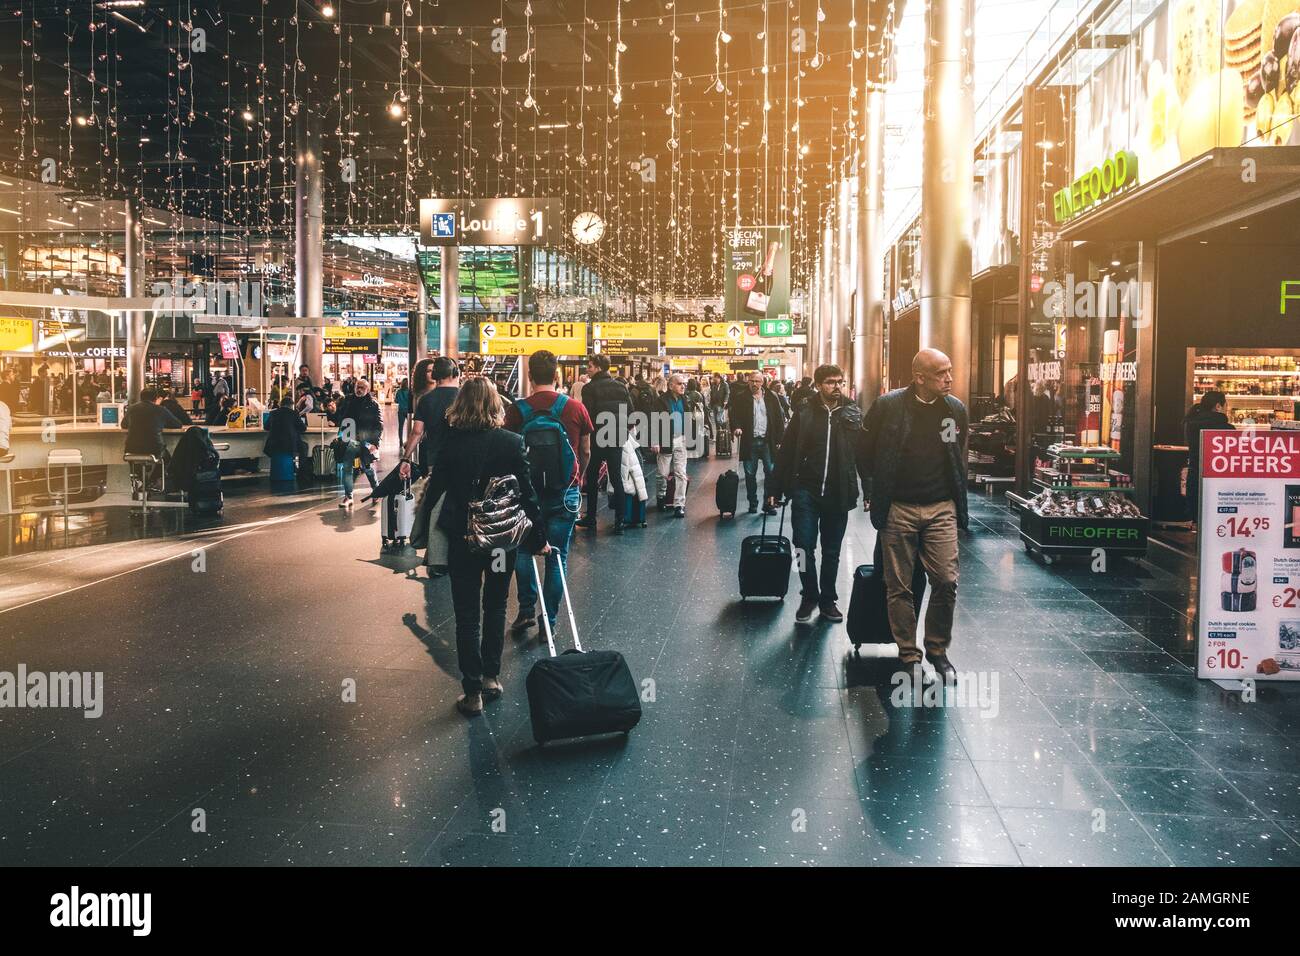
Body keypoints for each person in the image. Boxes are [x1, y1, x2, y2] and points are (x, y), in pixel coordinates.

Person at [417, 377, 548, 717]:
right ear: (496, 406)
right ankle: (491, 676)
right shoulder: (512, 443)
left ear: (460, 406)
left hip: (464, 540)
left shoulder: (450, 444)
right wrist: (538, 538)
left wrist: (423, 536)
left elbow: (434, 495)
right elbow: (527, 495)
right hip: (500, 543)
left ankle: (471, 691)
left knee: (466, 616)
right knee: (495, 606)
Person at [861, 348, 969, 683]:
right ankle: (908, 653)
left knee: (946, 581)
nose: (949, 379)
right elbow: (865, 451)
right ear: (919, 377)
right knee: (899, 586)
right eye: (941, 373)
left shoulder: (954, 410)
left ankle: (937, 649)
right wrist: (874, 492)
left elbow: (955, 450)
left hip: (940, 506)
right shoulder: (889, 407)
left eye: (950, 371)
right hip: (899, 506)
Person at [504, 350, 592, 637]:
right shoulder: (575, 408)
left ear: (530, 377)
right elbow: (586, 450)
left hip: (526, 495)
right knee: (557, 556)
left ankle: (526, 609)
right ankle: (549, 622)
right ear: (556, 375)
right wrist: (579, 477)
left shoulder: (517, 410)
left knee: (523, 550)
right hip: (564, 493)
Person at [770, 364, 866, 624]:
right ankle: (809, 594)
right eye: (831, 382)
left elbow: (862, 454)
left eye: (840, 381)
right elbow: (787, 451)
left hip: (839, 491)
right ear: (819, 384)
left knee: (832, 551)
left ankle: (827, 599)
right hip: (806, 490)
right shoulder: (804, 411)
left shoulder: (852, 412)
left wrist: (869, 490)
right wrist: (774, 487)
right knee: (802, 545)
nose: (837, 387)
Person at [576, 353, 633, 533]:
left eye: (590, 366)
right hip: (616, 437)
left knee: (592, 479)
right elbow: (631, 412)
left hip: (597, 438)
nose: (588, 369)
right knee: (617, 478)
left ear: (599, 367)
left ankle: (591, 518)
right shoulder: (621, 386)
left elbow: (588, 417)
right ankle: (620, 521)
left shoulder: (589, 389)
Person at [730, 371, 786, 515]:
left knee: (771, 474)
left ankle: (770, 504)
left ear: (763, 382)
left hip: (768, 441)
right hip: (750, 441)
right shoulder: (741, 398)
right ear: (748, 381)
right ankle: (753, 503)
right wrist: (736, 427)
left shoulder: (772, 397)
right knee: (749, 475)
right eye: (752, 381)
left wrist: (780, 440)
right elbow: (734, 415)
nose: (754, 384)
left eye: (757, 381)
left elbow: (779, 419)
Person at [400, 356, 460, 479]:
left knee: (434, 494)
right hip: (462, 457)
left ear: (434, 375)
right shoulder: (465, 396)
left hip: (434, 459)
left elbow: (417, 432)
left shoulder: (425, 399)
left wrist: (405, 459)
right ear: (455, 373)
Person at [329, 376, 383, 507]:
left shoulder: (373, 404)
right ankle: (348, 497)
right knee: (347, 467)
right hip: (350, 439)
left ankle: (376, 491)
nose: (359, 390)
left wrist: (375, 444)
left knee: (367, 468)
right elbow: (340, 416)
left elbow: (379, 425)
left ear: (367, 389)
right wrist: (332, 414)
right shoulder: (348, 401)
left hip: (366, 441)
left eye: (362, 388)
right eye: (357, 387)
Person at [651, 373, 698, 518]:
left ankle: (679, 504)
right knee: (662, 474)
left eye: (684, 383)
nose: (683, 386)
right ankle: (661, 496)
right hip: (666, 438)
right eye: (679, 383)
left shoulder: (686, 400)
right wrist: (655, 441)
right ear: (671, 386)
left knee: (680, 473)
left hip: (681, 439)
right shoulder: (661, 401)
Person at [1183, 390, 1233, 524]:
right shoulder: (1226, 428)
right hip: (1218, 477)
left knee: (1198, 513)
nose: (1226, 409)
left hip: (1195, 474)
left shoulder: (1191, 423)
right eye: (1225, 406)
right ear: (1218, 406)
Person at [121, 386, 187, 472]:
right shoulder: (161, 410)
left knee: (136, 461)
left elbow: (123, 425)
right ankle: (153, 480)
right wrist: (161, 423)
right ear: (156, 398)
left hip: (131, 449)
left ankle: (139, 478)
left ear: (141, 397)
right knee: (168, 459)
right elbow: (178, 424)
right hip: (154, 449)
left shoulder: (131, 408)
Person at [263, 394, 308, 466]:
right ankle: (297, 467)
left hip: (273, 445)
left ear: (281, 404)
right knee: (303, 447)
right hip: (290, 446)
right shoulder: (294, 413)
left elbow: (266, 427)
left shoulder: (273, 413)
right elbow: (303, 428)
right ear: (291, 405)